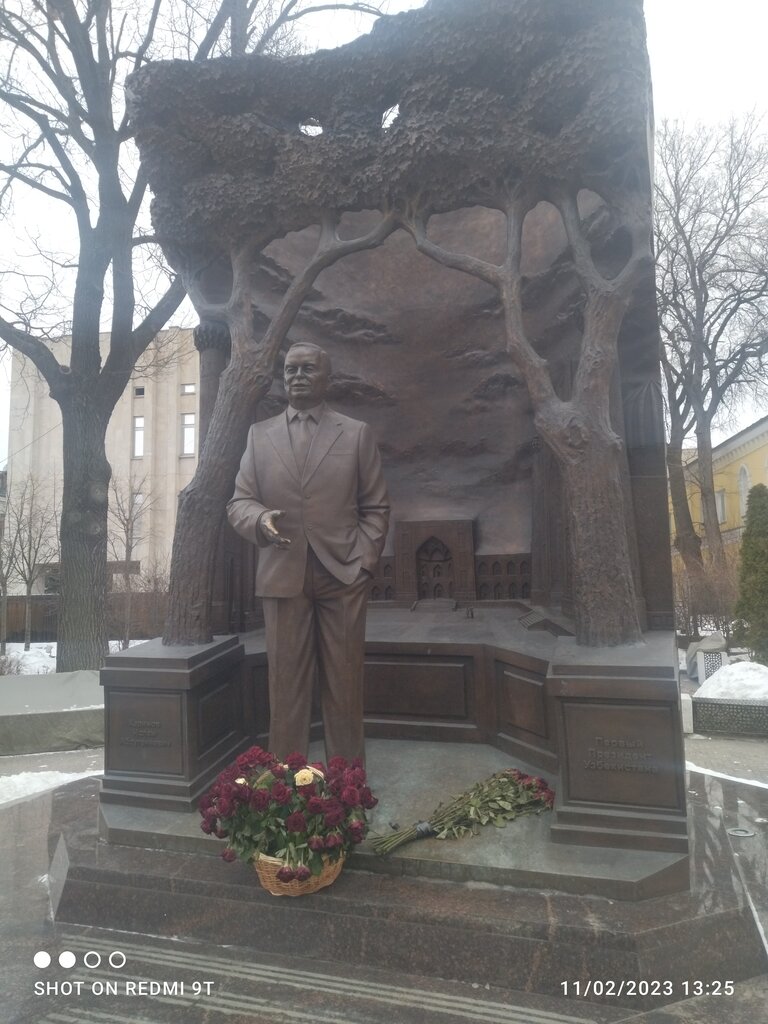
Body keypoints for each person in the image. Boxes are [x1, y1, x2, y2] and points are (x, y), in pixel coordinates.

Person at [227, 343, 390, 762]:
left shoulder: (355, 433)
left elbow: (376, 507)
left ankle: (347, 781)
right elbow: (239, 502)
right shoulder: (259, 435)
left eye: (307, 369)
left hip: (343, 574)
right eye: (290, 369)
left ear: (326, 378)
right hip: (282, 574)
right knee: (285, 686)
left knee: (344, 683)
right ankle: (286, 782)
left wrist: (364, 563)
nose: (297, 376)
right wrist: (260, 520)